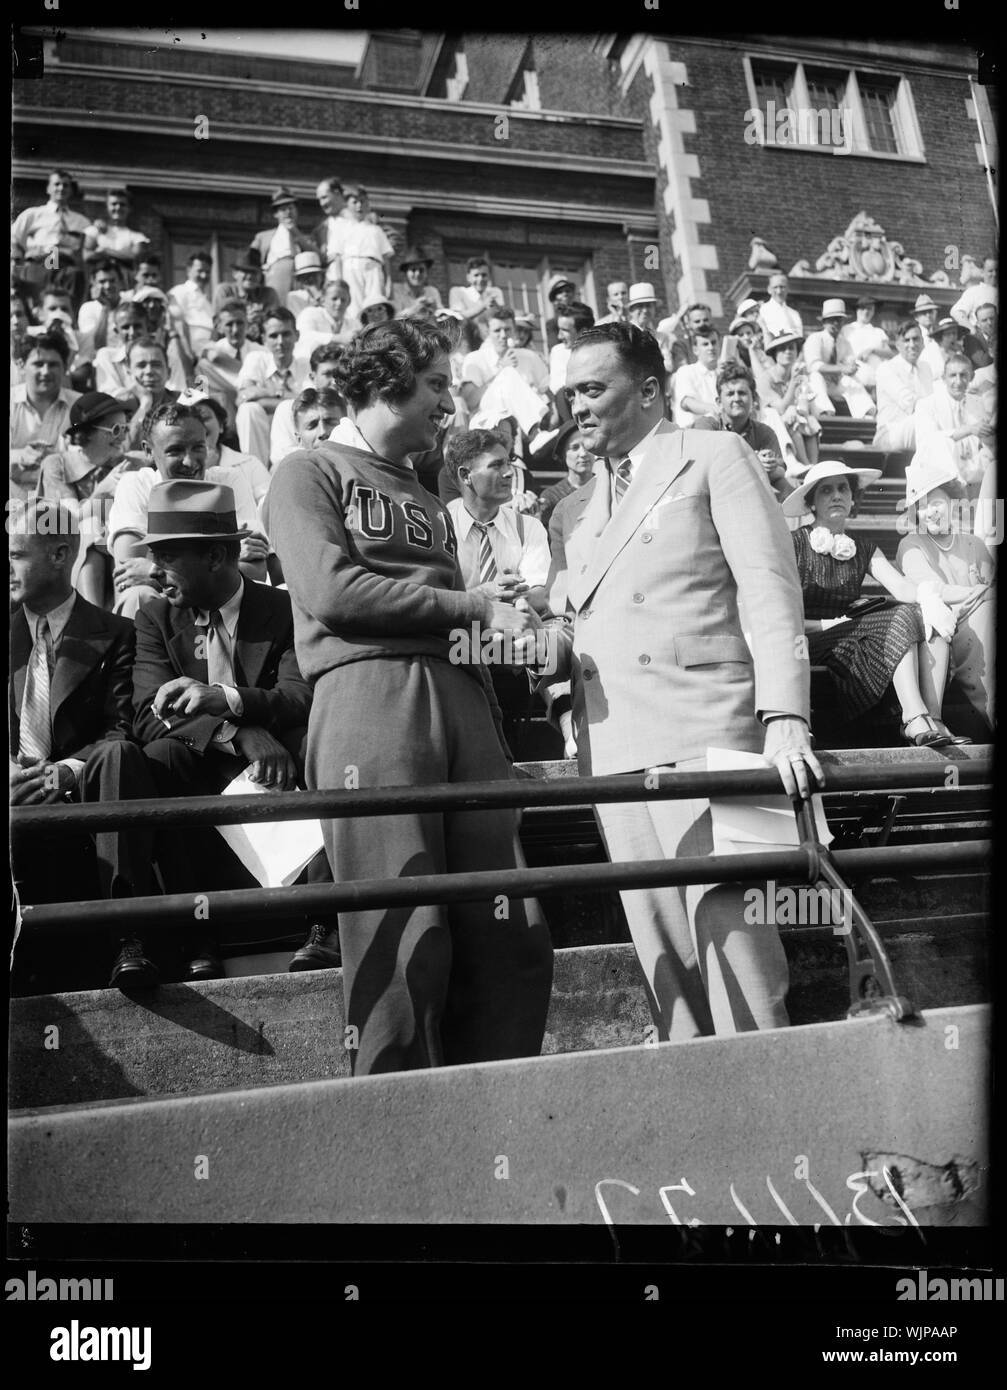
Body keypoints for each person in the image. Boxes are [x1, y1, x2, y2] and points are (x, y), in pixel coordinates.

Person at [267, 318, 554, 1075]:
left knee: (510, 931)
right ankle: (402, 1137)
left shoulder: (425, 493)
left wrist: (502, 682)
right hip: (369, 699)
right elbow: (332, 592)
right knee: (403, 940)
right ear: (388, 383)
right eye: (433, 386)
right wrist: (473, 609)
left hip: (459, 698)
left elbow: (452, 613)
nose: (445, 406)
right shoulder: (307, 471)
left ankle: (500, 1113)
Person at [554, 320, 820, 1041]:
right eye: (569, 392)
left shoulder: (715, 453)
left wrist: (784, 716)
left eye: (591, 388)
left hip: (719, 731)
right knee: (665, 965)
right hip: (615, 748)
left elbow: (769, 586)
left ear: (646, 391)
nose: (576, 407)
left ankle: (782, 1122)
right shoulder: (581, 510)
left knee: (743, 955)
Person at [131, 479, 333, 979]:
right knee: (158, 759)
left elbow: (300, 697)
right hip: (200, 761)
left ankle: (326, 923)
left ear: (218, 557)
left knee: (322, 743)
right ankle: (198, 936)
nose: (154, 573)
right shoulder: (155, 617)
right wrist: (235, 730)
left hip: (280, 761)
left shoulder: (283, 608)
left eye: (167, 557)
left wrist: (230, 699)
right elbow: (145, 715)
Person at [9, 499, 164, 991]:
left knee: (121, 756)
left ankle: (128, 937)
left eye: (15, 554)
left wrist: (65, 773)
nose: (6, 566)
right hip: (13, 795)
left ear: (59, 554)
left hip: (80, 790)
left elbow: (120, 730)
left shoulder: (117, 633)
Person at [782, 461, 967, 745]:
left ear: (853, 497)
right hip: (805, 640)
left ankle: (921, 717)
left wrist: (936, 597)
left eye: (843, 488)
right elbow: (780, 614)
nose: (837, 495)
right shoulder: (794, 543)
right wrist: (827, 624)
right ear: (812, 503)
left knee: (910, 612)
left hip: (848, 640)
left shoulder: (864, 547)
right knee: (900, 618)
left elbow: (903, 588)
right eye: (826, 490)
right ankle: (915, 720)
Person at [107, 402, 266, 617]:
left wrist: (156, 570)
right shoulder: (136, 484)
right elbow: (128, 573)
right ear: (148, 451)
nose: (189, 461)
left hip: (220, 602)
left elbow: (256, 571)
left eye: (198, 447)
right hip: (164, 603)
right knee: (138, 595)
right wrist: (223, 564)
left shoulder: (229, 481)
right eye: (175, 450)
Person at [896, 451, 994, 731]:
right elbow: (933, 589)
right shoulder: (911, 545)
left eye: (937, 502)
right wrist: (979, 595)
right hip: (945, 632)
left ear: (953, 504)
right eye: (923, 506)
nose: (932, 511)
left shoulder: (973, 543)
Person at [36, 391, 136, 607]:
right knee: (90, 526)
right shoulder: (58, 465)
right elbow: (66, 520)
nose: (122, 437)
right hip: (68, 556)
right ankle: (93, 616)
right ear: (87, 433)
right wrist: (102, 491)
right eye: (115, 429)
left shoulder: (133, 465)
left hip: (117, 558)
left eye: (125, 429)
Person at [691, 361, 795, 504]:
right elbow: (706, 469)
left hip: (749, 497)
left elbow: (780, 472)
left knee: (789, 489)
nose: (737, 399)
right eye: (730, 394)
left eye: (742, 393)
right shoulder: (706, 426)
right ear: (719, 402)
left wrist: (769, 467)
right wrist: (754, 462)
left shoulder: (764, 432)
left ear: (753, 399)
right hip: (711, 496)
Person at [11, 332, 79, 502]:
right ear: (20, 365)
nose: (46, 371)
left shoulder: (80, 405)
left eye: (53, 365)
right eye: (38, 364)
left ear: (64, 366)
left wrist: (54, 458)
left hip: (63, 495)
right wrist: (21, 456)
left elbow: (88, 458)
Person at [234, 308, 308, 465]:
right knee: (249, 410)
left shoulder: (306, 365)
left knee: (285, 408)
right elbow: (243, 397)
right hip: (261, 432)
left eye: (286, 334)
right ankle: (255, 471)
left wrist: (263, 397)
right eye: (273, 336)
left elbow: (309, 406)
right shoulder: (256, 359)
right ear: (264, 339)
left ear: (297, 335)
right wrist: (280, 393)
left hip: (294, 433)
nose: (280, 342)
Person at [914, 353, 994, 492]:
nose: (958, 381)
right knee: (940, 443)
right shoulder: (927, 404)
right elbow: (928, 441)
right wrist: (969, 429)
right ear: (943, 378)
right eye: (952, 375)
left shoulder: (977, 404)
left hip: (970, 468)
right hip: (937, 474)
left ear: (971, 377)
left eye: (963, 375)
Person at [460, 304, 549, 419]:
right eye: (497, 331)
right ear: (487, 332)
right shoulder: (475, 359)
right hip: (491, 420)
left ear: (514, 330)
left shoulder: (530, 357)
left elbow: (547, 389)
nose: (503, 336)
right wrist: (502, 369)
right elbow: (471, 402)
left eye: (507, 330)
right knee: (508, 378)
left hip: (530, 417)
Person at [10, 169, 90, 291]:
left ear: (71, 190)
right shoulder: (32, 214)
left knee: (77, 277)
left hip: (67, 267)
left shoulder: (82, 222)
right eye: (57, 184)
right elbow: (13, 239)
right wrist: (17, 264)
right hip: (38, 263)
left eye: (66, 185)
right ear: (48, 188)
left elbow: (89, 248)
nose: (61, 188)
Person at [269, 341, 345, 467]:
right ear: (312, 377)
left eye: (339, 375)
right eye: (327, 374)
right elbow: (280, 458)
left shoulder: (355, 409)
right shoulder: (288, 409)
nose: (334, 381)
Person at [326, 183, 394, 321]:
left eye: (362, 202)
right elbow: (337, 257)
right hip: (351, 268)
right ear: (347, 205)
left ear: (368, 204)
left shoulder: (376, 230)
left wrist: (389, 282)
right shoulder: (341, 227)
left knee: (374, 303)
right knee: (353, 306)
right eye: (355, 202)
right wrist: (340, 281)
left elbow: (386, 259)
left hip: (373, 268)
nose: (359, 206)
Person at [761, 329, 820, 468]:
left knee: (809, 421)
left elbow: (805, 406)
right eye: (782, 349)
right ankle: (802, 464)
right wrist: (793, 384)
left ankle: (813, 465)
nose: (788, 352)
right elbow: (780, 408)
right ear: (775, 354)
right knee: (793, 423)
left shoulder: (799, 376)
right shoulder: (766, 378)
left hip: (796, 421)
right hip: (772, 424)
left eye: (792, 348)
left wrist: (796, 408)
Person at [873, 321, 934, 450]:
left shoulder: (926, 368)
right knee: (926, 420)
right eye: (906, 340)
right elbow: (910, 403)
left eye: (916, 339)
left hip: (921, 429)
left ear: (923, 342)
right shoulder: (886, 368)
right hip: (889, 434)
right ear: (898, 345)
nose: (912, 345)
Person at [249, 187, 316, 302]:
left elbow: (315, 256)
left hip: (299, 279)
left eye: (291, 208)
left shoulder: (306, 238)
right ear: (276, 214)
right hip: (275, 276)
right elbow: (251, 260)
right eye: (283, 209)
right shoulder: (263, 237)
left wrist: (296, 233)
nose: (288, 212)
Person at [119, 337, 180, 452]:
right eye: (141, 365)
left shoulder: (183, 403)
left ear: (169, 372)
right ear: (128, 372)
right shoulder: (118, 406)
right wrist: (146, 404)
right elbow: (126, 450)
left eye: (156, 365)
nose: (149, 371)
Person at [536, 421, 597, 529]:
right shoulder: (552, 496)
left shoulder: (606, 485)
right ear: (563, 454)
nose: (583, 454)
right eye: (574, 448)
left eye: (587, 445)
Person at [82, 188, 150, 270]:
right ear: (107, 207)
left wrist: (106, 251)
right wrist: (122, 255)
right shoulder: (94, 230)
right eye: (114, 204)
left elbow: (135, 259)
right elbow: (87, 256)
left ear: (130, 208)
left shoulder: (137, 237)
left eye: (122, 204)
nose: (118, 207)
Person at [93, 301, 148, 396]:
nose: (132, 332)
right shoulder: (107, 356)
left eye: (137, 326)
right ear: (116, 330)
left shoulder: (160, 355)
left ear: (148, 327)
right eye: (126, 327)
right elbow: (111, 397)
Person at [168, 252, 215, 361]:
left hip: (208, 356)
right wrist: (189, 354)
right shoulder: (179, 292)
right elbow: (177, 325)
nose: (204, 275)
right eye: (200, 271)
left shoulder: (207, 302)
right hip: (190, 355)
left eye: (207, 272)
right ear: (188, 270)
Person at [210, 248, 281, 320]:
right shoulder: (224, 291)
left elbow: (277, 319)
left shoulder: (269, 294)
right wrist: (244, 318)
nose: (250, 276)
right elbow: (219, 320)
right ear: (235, 273)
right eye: (245, 271)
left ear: (260, 275)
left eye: (254, 272)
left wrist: (262, 317)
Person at [76, 260, 124, 365]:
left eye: (112, 281)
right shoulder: (88, 308)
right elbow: (97, 346)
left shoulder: (130, 304)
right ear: (93, 283)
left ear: (120, 281)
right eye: (102, 282)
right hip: (100, 364)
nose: (108, 286)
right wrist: (105, 308)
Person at [448, 257, 505, 341]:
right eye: (476, 275)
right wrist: (483, 306)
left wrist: (497, 307)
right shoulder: (458, 292)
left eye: (484, 275)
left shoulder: (495, 292)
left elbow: (503, 319)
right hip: (467, 341)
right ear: (468, 277)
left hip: (491, 341)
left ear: (489, 276)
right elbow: (458, 318)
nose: (480, 279)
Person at [296, 275, 358, 352]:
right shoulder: (309, 314)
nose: (339, 303)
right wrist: (339, 338)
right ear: (323, 300)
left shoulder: (353, 323)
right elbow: (304, 337)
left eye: (343, 300)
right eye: (334, 299)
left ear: (349, 302)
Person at [671, 327, 718, 425]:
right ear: (695, 350)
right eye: (705, 344)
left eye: (714, 342)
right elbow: (687, 403)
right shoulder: (685, 371)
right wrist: (719, 411)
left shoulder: (724, 373)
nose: (711, 347)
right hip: (693, 432)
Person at [548, 300, 595, 400]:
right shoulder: (557, 352)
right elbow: (556, 387)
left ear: (583, 332)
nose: (559, 336)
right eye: (559, 329)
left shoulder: (601, 352)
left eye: (565, 330)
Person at [393, 246, 444, 320]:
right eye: (413, 270)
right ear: (406, 273)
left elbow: (441, 318)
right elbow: (392, 319)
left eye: (421, 270)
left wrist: (435, 311)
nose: (417, 274)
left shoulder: (433, 291)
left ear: (427, 273)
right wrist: (414, 309)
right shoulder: (396, 290)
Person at [950, 256, 997, 328]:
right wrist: (972, 330)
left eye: (997, 270)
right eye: (990, 271)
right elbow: (957, 312)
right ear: (982, 272)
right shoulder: (974, 291)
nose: (995, 274)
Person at [758, 271, 803, 341]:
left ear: (788, 289)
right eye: (775, 287)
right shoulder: (762, 311)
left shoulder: (794, 314)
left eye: (782, 287)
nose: (779, 291)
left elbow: (799, 337)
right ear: (769, 289)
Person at [285, 251, 326, 321]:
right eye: (305, 276)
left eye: (314, 274)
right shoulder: (292, 297)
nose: (310, 278)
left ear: (321, 276)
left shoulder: (330, 294)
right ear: (299, 279)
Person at [313, 177, 344, 266]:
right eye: (319, 200)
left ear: (337, 193)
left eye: (324, 197)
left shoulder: (357, 220)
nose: (322, 204)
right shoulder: (320, 230)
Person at [544, 273, 577, 350]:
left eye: (567, 291)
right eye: (560, 292)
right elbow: (555, 348)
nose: (565, 294)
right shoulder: (552, 324)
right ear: (554, 300)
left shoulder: (584, 315)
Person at [964, 302, 996, 371]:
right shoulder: (972, 338)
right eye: (984, 320)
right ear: (978, 323)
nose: (989, 323)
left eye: (992, 318)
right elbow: (983, 363)